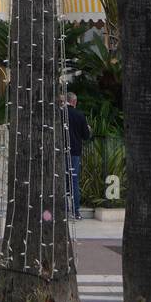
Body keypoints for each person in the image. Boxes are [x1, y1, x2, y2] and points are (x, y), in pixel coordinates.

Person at [64, 91, 91, 219]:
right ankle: (76, 212)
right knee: (74, 181)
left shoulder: (60, 113)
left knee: (62, 180)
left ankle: (63, 210)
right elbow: (86, 136)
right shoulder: (80, 115)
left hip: (61, 151)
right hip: (74, 152)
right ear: (74, 102)